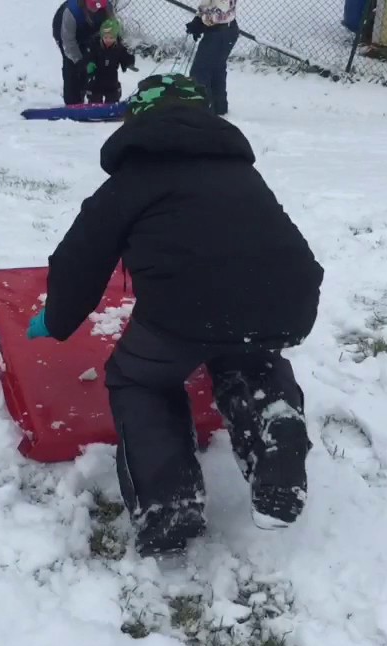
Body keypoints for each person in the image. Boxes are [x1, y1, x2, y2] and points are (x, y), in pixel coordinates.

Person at [26, 74, 324, 556]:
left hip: (186, 310)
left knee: (143, 379)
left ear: (138, 119)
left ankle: (170, 503)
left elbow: (81, 259)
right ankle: (274, 429)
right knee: (245, 352)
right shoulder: (241, 172)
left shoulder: (133, 180)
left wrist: (57, 319)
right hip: (286, 297)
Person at [52, 0, 113, 105]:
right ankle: (72, 100)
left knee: (95, 61)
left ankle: (92, 94)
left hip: (90, 33)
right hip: (65, 32)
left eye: (99, 7)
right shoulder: (71, 12)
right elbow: (68, 43)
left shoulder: (107, 8)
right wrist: (80, 61)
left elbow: (112, 31)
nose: (96, 9)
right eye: (93, 6)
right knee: (72, 65)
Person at [186, 0, 240, 115]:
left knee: (199, 72)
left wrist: (201, 22)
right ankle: (219, 108)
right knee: (216, 69)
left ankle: (203, 112)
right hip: (225, 30)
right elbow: (208, 3)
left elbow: (220, 10)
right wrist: (198, 19)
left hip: (220, 32)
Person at [84, 18, 137, 104]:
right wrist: (90, 63)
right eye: (105, 37)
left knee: (113, 95)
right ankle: (94, 107)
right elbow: (89, 56)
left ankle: (111, 108)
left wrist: (129, 63)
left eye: (111, 37)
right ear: (101, 36)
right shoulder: (95, 46)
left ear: (116, 37)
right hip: (97, 76)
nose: (108, 40)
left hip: (112, 77)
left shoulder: (119, 48)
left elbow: (125, 56)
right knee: (94, 95)